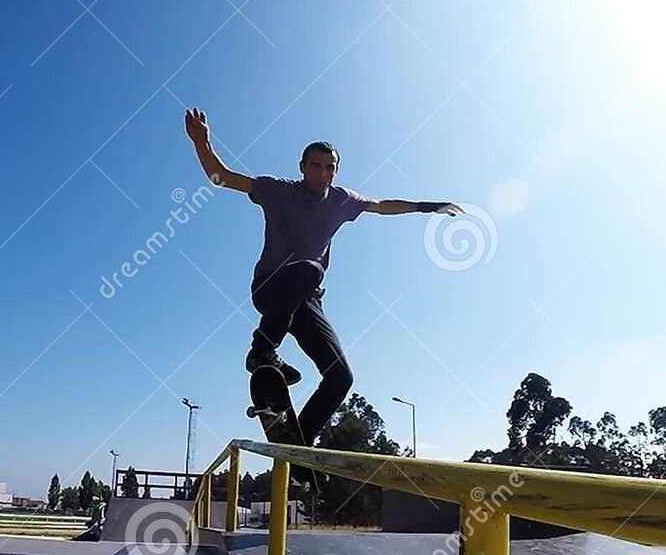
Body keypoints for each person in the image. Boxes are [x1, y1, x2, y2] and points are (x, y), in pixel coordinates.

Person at [184, 107, 461, 444]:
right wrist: (202, 143)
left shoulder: (343, 200)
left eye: (330, 167)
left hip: (307, 301)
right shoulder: (278, 190)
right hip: (271, 287)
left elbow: (381, 205)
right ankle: (261, 350)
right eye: (315, 166)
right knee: (309, 268)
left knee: (340, 378)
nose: (323, 174)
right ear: (302, 168)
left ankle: (299, 445)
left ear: (336, 171)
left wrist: (426, 207)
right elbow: (222, 176)